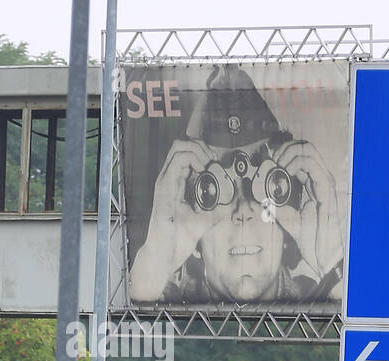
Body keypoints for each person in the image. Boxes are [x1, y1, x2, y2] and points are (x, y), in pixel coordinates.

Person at [130, 64, 342, 304]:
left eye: (270, 188)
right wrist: (157, 261)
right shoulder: (163, 304)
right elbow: (128, 321)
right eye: (211, 190)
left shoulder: (330, 297)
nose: (242, 212)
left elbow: (375, 319)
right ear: (184, 214)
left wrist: (334, 264)